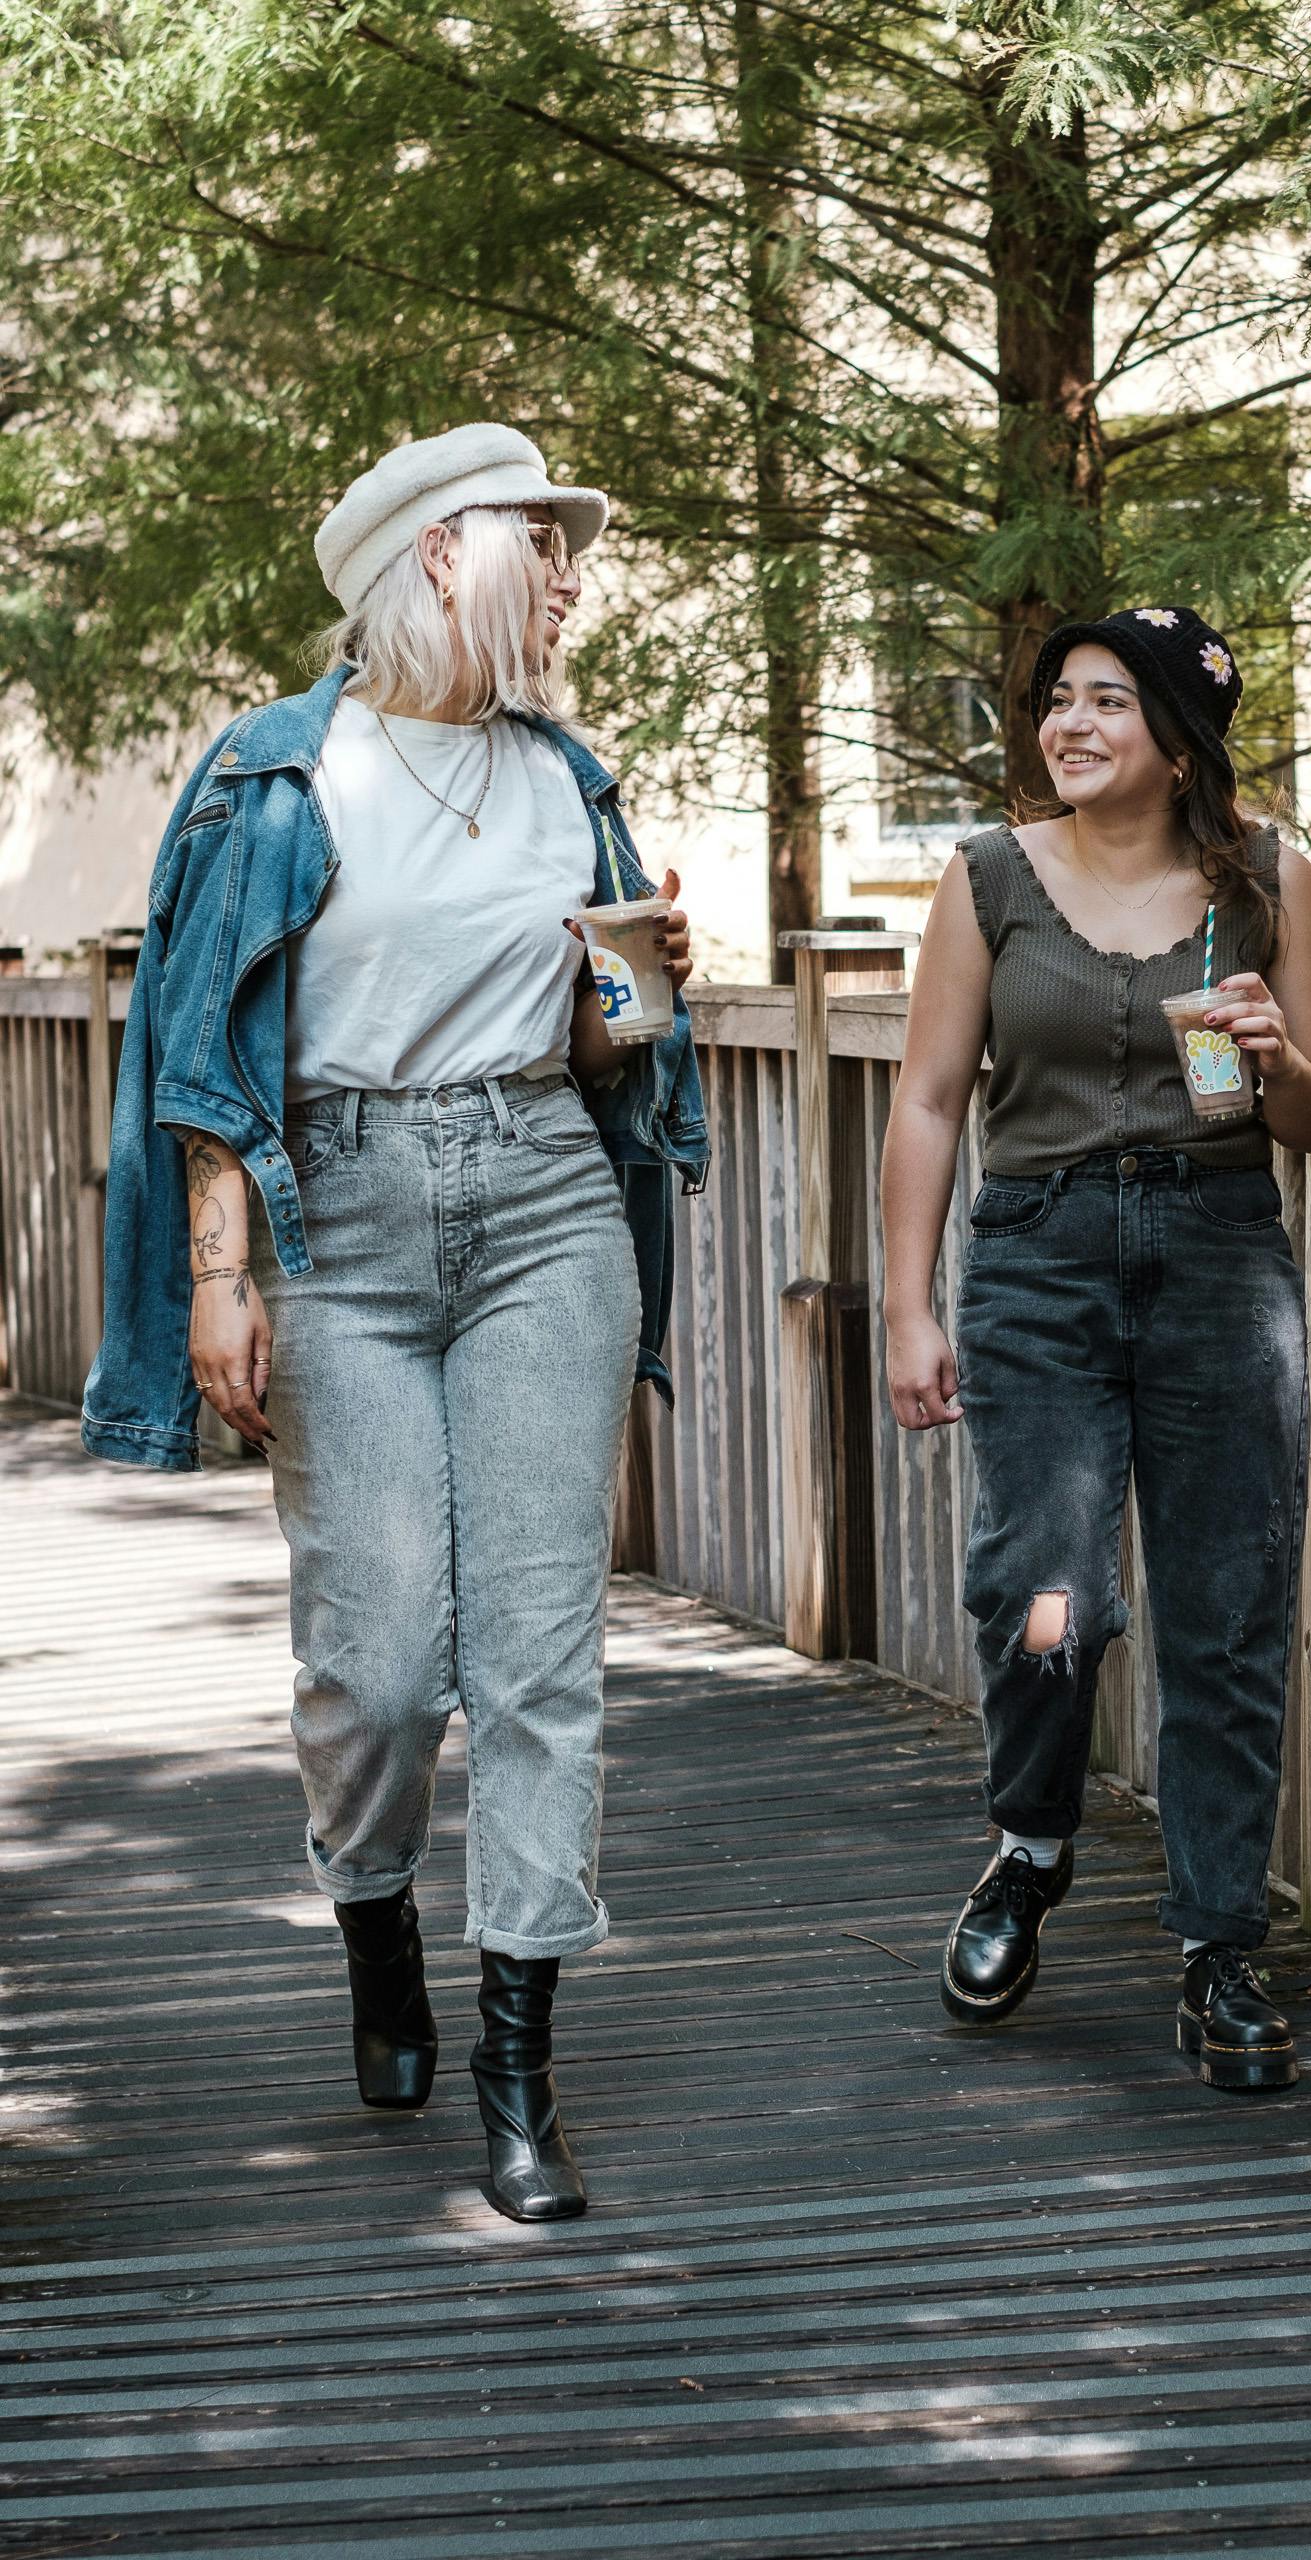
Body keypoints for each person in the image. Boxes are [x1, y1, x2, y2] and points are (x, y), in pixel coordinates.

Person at [83, 423, 708, 2220]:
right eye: (543, 539)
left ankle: (520, 2066)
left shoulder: (567, 775)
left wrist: (640, 992)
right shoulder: (280, 771)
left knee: (537, 1652)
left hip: (544, 1201)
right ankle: (374, 1920)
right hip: (335, 1221)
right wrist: (220, 1279)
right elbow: (201, 1049)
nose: (573, 574)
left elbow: (602, 1048)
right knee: (373, 1666)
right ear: (442, 553)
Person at [880, 606, 1311, 2091]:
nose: (1067, 726)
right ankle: (1030, 1844)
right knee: (1048, 1599)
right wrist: (908, 1305)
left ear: (1178, 739)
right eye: (1058, 702)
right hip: (1040, 1265)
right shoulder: (990, 876)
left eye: (1105, 703)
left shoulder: (1266, 880)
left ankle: (1218, 1945)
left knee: (1227, 1611)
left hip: (1220, 1261)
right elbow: (929, 1101)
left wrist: (1277, 1059)